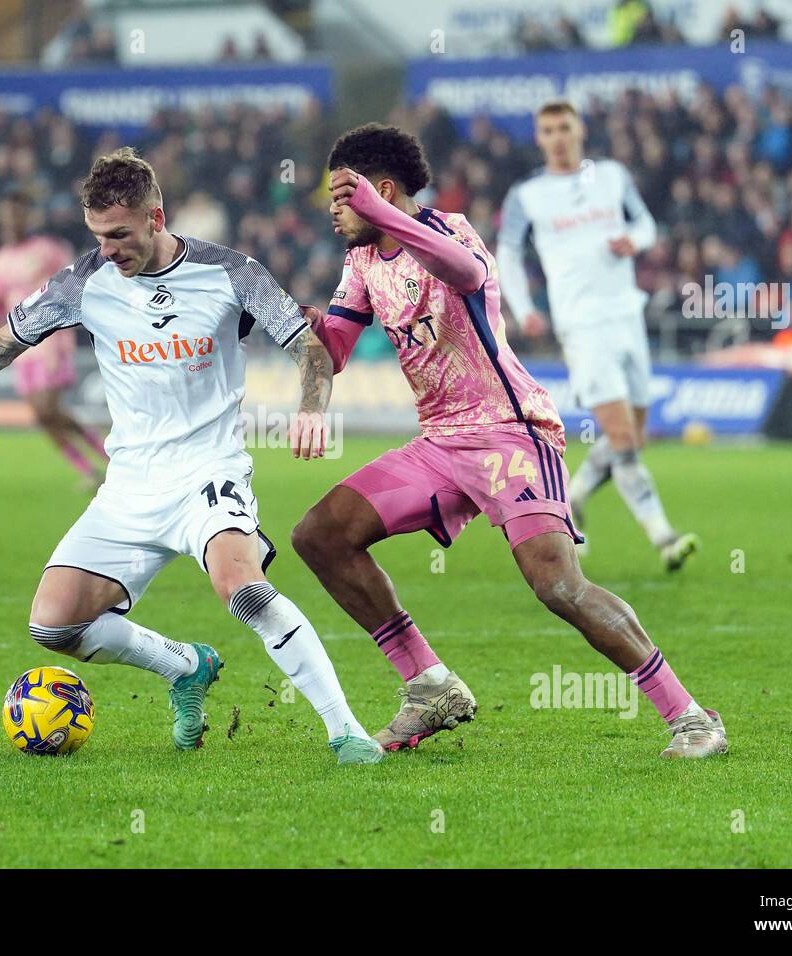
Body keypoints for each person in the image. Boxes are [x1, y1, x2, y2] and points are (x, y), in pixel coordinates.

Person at [0, 148, 382, 764]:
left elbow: (309, 348)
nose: (109, 250)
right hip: (128, 486)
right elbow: (2, 345)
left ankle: (345, 731)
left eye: (121, 235)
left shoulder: (231, 272)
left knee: (244, 589)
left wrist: (311, 410)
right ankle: (184, 665)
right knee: (53, 625)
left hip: (208, 472)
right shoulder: (84, 280)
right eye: (98, 236)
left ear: (157, 217)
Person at [293, 124, 726, 759]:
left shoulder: (451, 230)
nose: (332, 210)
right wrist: (311, 390)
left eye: (341, 196)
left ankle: (691, 718)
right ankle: (429, 686)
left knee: (558, 586)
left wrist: (384, 214)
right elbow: (332, 347)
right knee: (320, 534)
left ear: (379, 192)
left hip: (509, 433)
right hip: (439, 443)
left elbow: (464, 272)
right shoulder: (361, 264)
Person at [496, 101, 698, 570]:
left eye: (564, 127)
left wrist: (637, 240)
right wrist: (524, 309)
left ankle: (574, 493)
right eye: (548, 130)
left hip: (628, 313)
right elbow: (506, 254)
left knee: (635, 437)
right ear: (540, 138)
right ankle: (664, 538)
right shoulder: (528, 194)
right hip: (581, 322)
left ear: (580, 129)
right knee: (624, 439)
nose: (558, 137)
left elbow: (645, 222)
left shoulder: (611, 175)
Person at [0, 189, 106, 487]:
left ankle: (108, 459)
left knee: (49, 407)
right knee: (43, 415)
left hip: (51, 338)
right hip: (19, 343)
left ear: (28, 217)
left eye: (17, 214)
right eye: (7, 215)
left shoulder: (48, 249)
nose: (12, 220)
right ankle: (87, 470)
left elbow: (74, 282)